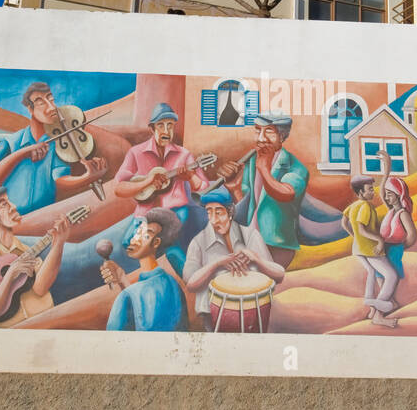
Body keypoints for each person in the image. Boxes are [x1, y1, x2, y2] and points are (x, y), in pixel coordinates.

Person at [0, 81, 108, 216]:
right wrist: (22, 153)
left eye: (51, 100)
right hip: (11, 218)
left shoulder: (59, 143)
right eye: (41, 102)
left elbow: (60, 179)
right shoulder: (12, 142)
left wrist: (86, 177)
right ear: (30, 109)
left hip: (42, 217)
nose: (51, 107)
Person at [113, 102, 212, 273]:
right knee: (129, 243)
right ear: (152, 129)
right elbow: (119, 188)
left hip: (175, 212)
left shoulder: (184, 154)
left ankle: (190, 279)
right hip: (145, 212)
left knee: (168, 242)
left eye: (170, 125)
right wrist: (148, 182)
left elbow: (203, 188)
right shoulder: (136, 153)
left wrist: (190, 176)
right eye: (161, 125)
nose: (166, 130)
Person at [0, 187, 72, 327]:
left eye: (10, 201)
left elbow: (40, 288)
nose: (14, 206)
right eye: (4, 203)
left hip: (45, 323)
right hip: (11, 332)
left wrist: (58, 243)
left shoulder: (27, 250)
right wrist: (9, 275)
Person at [182, 186, 284, 332]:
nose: (213, 220)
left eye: (218, 212)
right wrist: (218, 263)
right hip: (211, 314)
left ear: (230, 212)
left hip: (253, 311)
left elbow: (279, 275)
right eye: (209, 213)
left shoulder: (249, 235)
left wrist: (256, 259)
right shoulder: (198, 242)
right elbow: (191, 283)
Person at [215, 113, 307, 268]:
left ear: (282, 136)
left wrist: (264, 169)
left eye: (269, 131)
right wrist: (235, 188)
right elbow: (248, 202)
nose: (261, 138)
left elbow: (286, 194)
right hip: (251, 238)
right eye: (258, 130)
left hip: (276, 244)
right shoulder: (253, 161)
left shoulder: (294, 166)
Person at [100, 208, 189, 332]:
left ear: (156, 242)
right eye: (137, 232)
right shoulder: (173, 284)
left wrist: (126, 287)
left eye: (145, 235)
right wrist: (122, 279)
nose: (134, 239)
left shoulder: (128, 296)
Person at [342, 175, 400, 328]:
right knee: (391, 276)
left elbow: (344, 221)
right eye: (369, 190)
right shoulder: (366, 206)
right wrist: (379, 240)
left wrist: (354, 236)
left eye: (372, 189)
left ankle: (372, 310)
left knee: (373, 273)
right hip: (370, 248)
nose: (373, 192)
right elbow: (361, 228)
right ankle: (379, 315)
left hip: (358, 248)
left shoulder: (354, 205)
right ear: (361, 192)